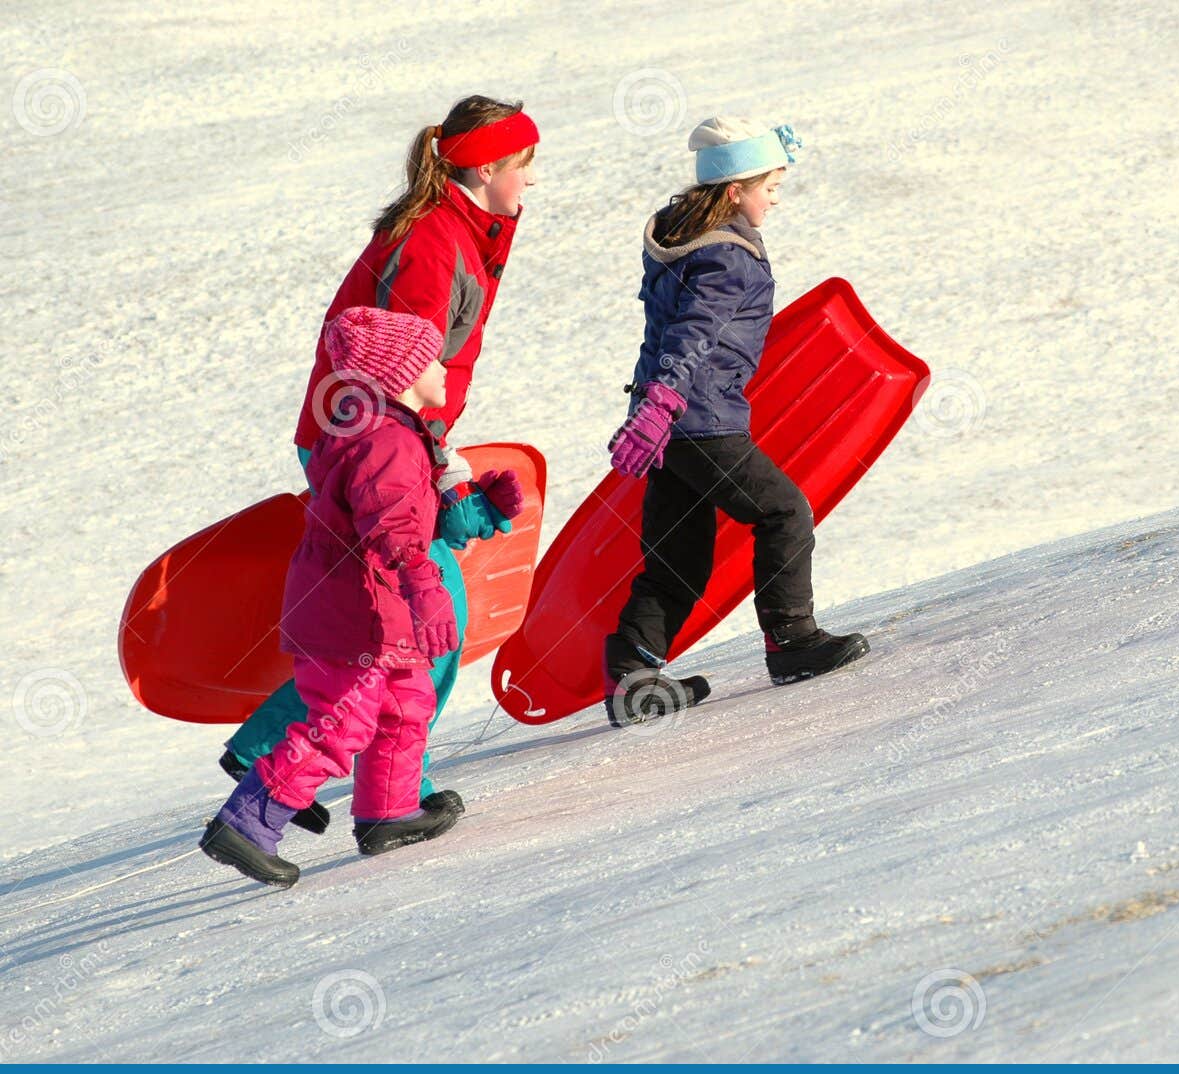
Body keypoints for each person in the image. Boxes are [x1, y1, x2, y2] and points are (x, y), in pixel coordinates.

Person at [221, 96, 538, 828]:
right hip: (372, 441)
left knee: (389, 620)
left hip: (377, 436)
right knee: (427, 615)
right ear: (485, 167)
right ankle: (386, 789)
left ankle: (292, 758)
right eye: (523, 165)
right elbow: (402, 367)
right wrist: (439, 466)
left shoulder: (463, 228)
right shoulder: (433, 241)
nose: (530, 180)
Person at [200, 308, 500, 887]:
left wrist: (484, 508)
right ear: (403, 374)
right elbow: (392, 528)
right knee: (341, 723)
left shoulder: (393, 433)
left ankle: (389, 812)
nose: (444, 368)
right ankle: (246, 825)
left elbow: (408, 515)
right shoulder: (386, 441)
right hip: (353, 615)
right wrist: (426, 587)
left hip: (377, 610)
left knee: (406, 705)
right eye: (432, 359)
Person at [604, 116, 868, 727]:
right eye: (769, 188)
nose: (775, 200)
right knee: (784, 512)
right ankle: (792, 640)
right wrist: (666, 401)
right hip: (700, 419)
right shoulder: (727, 256)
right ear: (733, 190)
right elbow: (695, 333)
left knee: (679, 559)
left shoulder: (685, 240)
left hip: (669, 420)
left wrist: (654, 405)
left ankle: (632, 677)